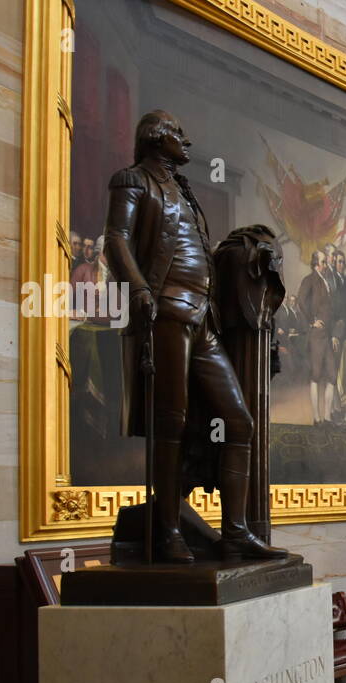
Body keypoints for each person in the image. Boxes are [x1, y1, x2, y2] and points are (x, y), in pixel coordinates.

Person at [103, 109, 284, 561]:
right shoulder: (133, 181)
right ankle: (166, 532)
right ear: (156, 138)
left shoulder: (183, 192)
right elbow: (115, 238)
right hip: (165, 312)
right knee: (172, 421)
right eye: (177, 134)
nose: (186, 141)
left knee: (238, 419)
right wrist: (139, 288)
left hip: (202, 319)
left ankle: (236, 532)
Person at [298, 249, 336, 423]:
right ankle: (316, 418)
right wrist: (311, 321)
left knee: (332, 376)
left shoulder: (325, 281)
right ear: (316, 264)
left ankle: (327, 417)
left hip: (326, 335)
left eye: (325, 262)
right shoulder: (309, 280)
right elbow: (300, 301)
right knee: (315, 375)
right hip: (316, 335)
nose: (325, 264)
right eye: (323, 262)